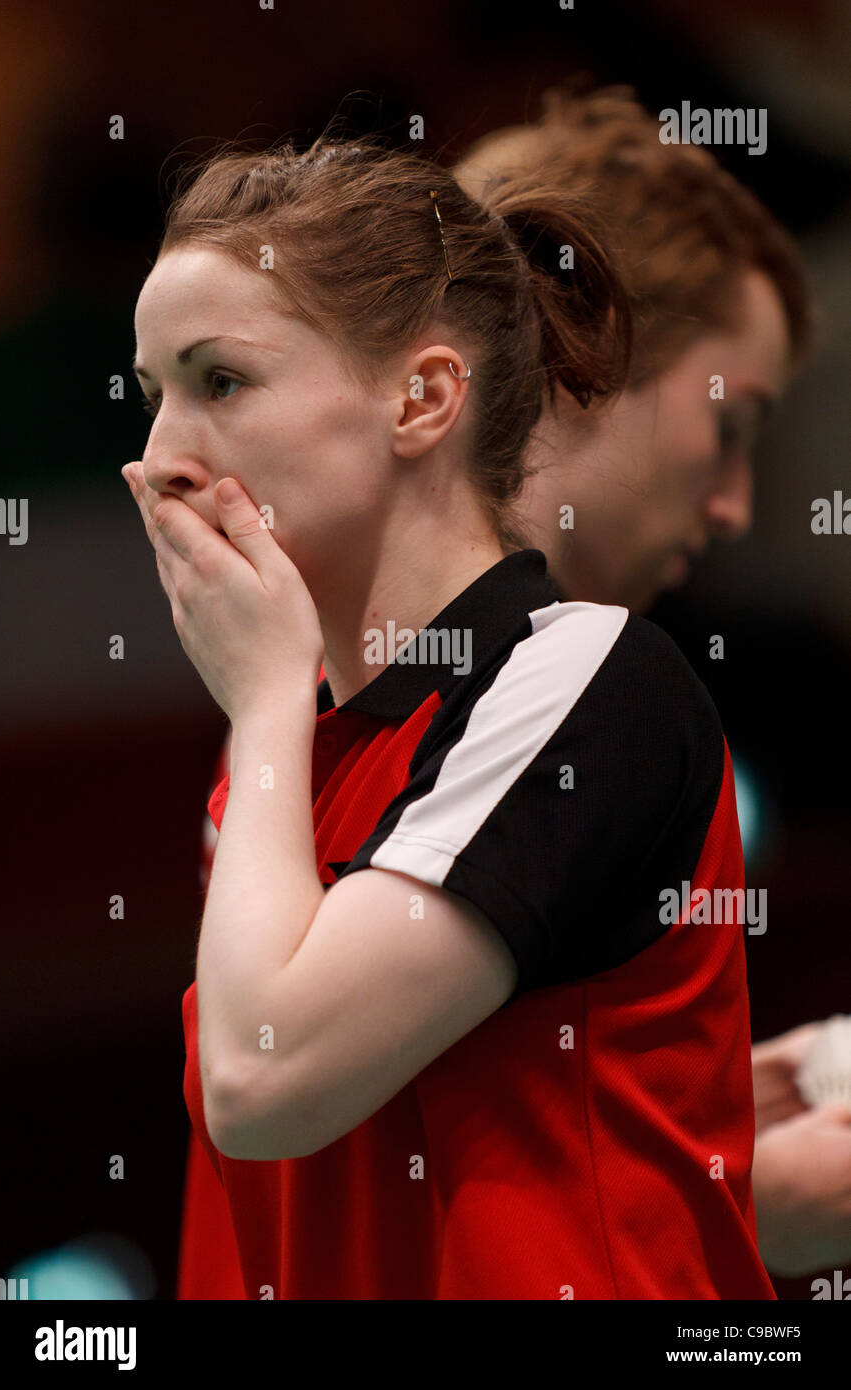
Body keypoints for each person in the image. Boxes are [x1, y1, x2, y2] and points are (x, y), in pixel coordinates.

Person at [125, 128, 776, 1298]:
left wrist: (266, 698)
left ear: (422, 397)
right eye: (152, 393)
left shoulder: (582, 680)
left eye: (218, 380)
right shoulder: (281, 750)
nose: (158, 458)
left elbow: (262, 1082)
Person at [453, 84, 851, 1281]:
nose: (732, 502)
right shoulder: (569, 690)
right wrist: (732, 1206)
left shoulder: (359, 662)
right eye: (728, 423)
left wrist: (710, 1144)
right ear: (594, 355)